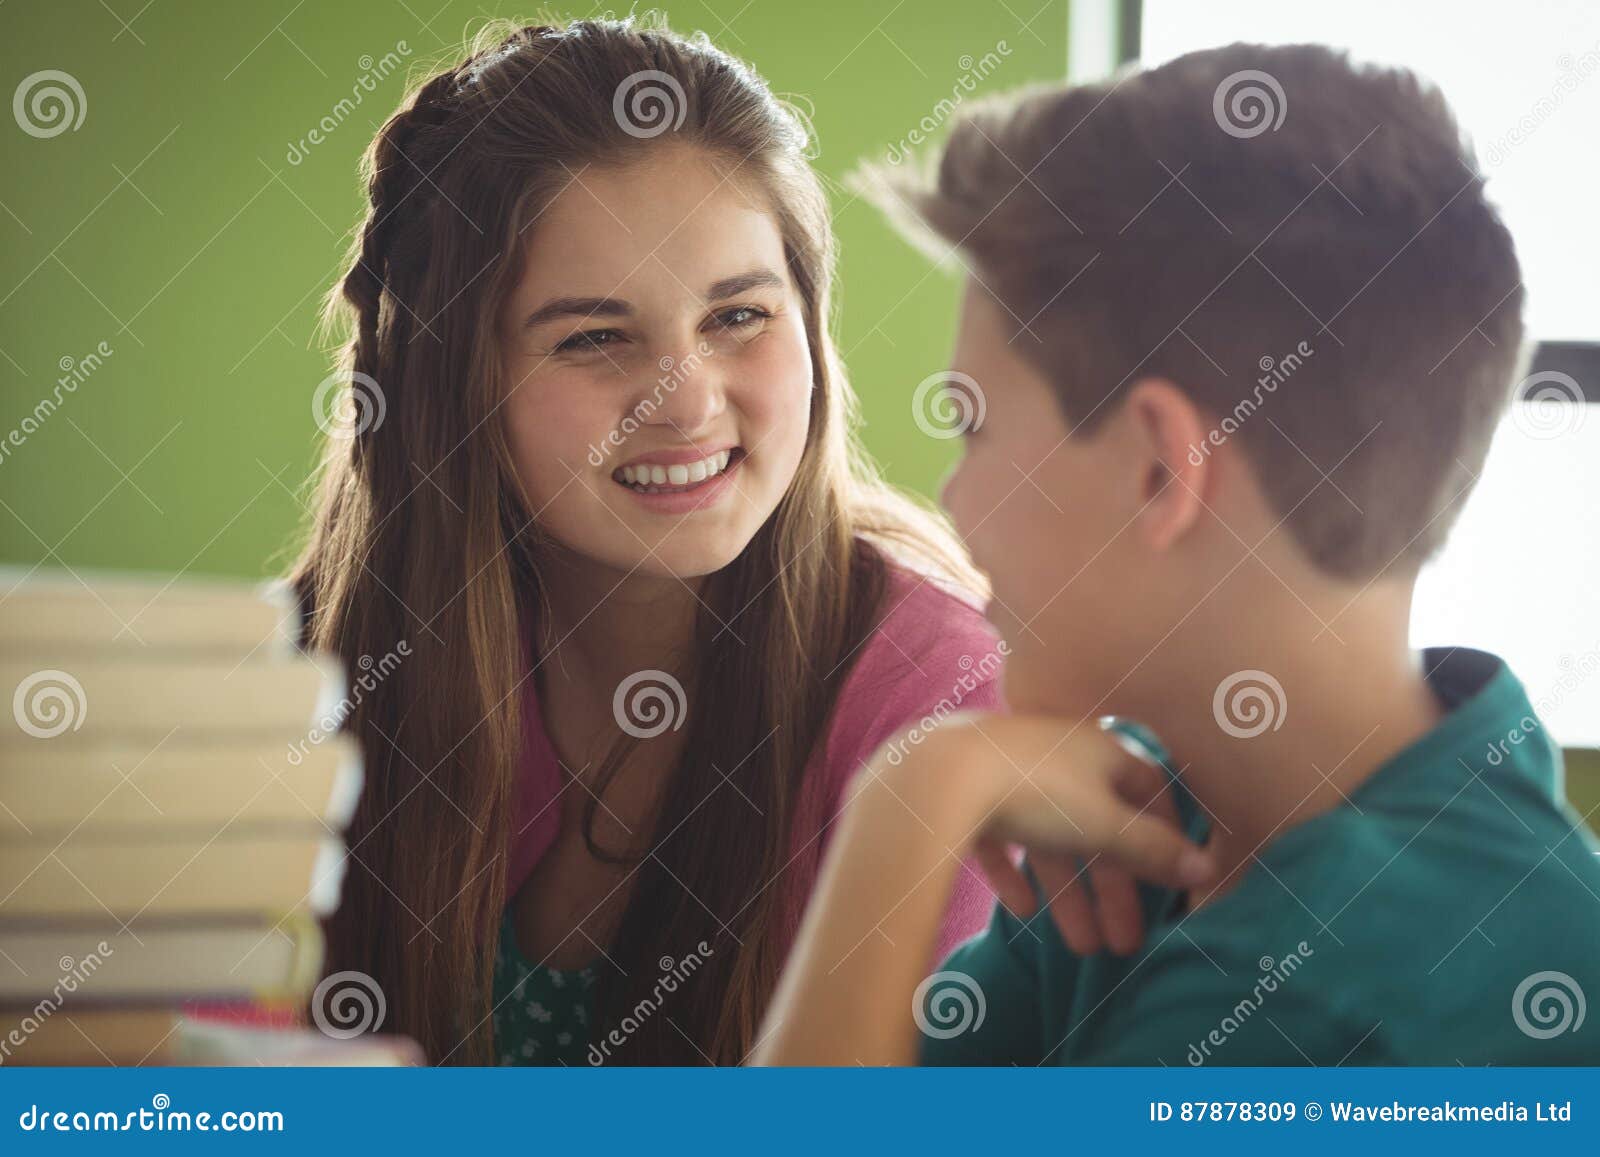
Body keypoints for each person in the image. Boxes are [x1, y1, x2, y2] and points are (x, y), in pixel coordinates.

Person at [753, 42, 1600, 1066]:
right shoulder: (1150, 827)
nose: (952, 497)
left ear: (1160, 470)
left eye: (974, 429)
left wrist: (912, 797)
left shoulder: (1343, 1002)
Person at [288, 18, 1006, 1065]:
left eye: (738, 317)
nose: (684, 402)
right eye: (592, 338)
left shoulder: (935, 692)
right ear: (451, 387)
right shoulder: (324, 664)